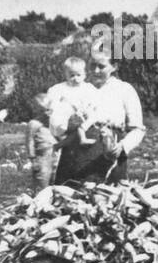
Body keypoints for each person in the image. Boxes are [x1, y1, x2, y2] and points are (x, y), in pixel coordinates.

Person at [52, 50, 144, 185]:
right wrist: (68, 123)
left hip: (108, 153)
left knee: (105, 198)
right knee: (68, 197)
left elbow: (138, 129)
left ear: (114, 66)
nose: (95, 71)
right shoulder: (74, 87)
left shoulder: (124, 89)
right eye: (92, 65)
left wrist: (123, 146)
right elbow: (56, 124)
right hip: (75, 154)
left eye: (101, 66)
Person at [25, 93, 56, 191]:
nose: (48, 113)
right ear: (37, 110)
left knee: (56, 184)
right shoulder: (34, 123)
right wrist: (33, 159)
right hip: (42, 158)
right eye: (45, 110)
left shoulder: (54, 123)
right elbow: (29, 141)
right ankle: (39, 201)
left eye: (50, 110)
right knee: (42, 184)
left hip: (56, 157)